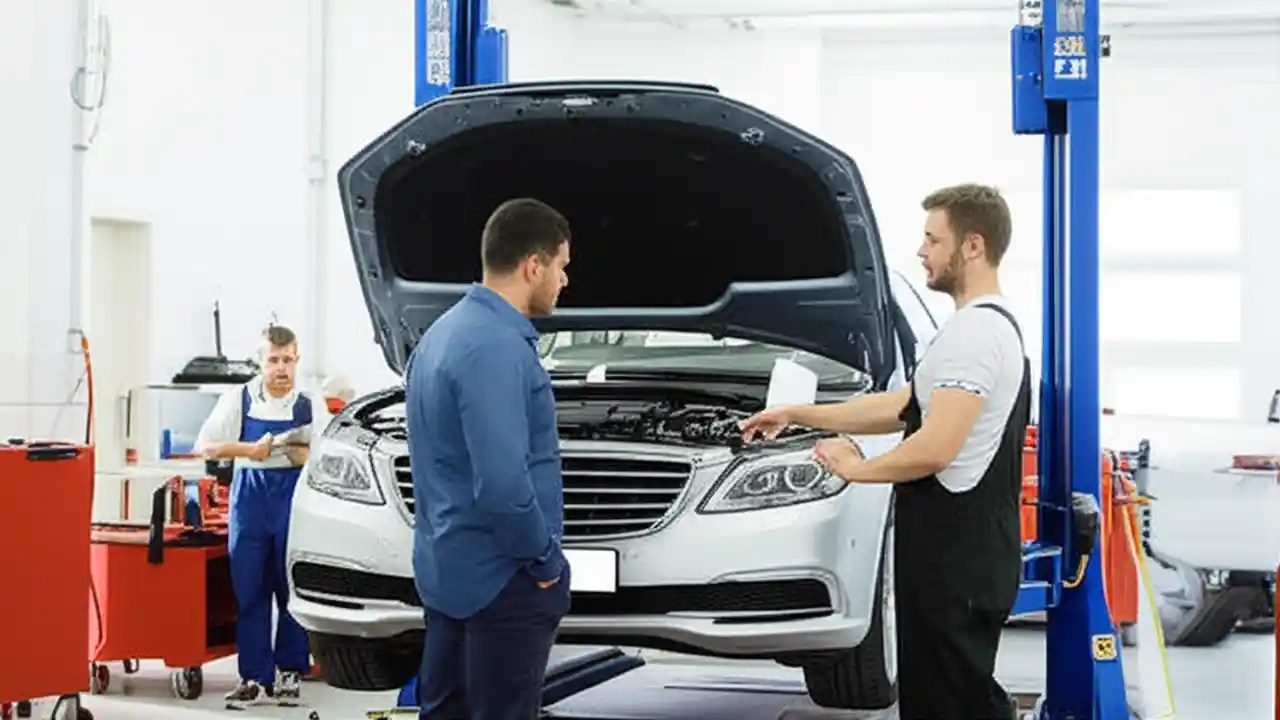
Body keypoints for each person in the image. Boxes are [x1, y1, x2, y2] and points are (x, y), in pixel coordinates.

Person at [740, 183, 1030, 720]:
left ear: (972, 246)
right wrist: (798, 413)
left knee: (950, 704)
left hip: (957, 562)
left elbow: (936, 447)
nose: (921, 250)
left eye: (933, 239)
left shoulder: (977, 334)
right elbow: (903, 406)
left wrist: (858, 469)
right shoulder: (975, 328)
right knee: (952, 698)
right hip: (959, 558)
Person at [404, 198, 573, 720]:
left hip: (447, 571)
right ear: (533, 266)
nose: (564, 281)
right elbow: (503, 485)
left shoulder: (441, 334)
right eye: (562, 266)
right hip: (504, 582)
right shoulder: (497, 347)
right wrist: (545, 562)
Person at [194, 324, 332, 709]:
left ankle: (290, 672)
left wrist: (307, 456)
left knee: (291, 589)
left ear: (297, 360)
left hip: (294, 498)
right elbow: (206, 446)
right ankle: (253, 677)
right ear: (260, 362)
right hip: (250, 499)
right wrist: (249, 451)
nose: (281, 368)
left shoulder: (310, 403)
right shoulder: (238, 399)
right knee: (250, 589)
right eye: (273, 360)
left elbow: (331, 451)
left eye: (288, 360)